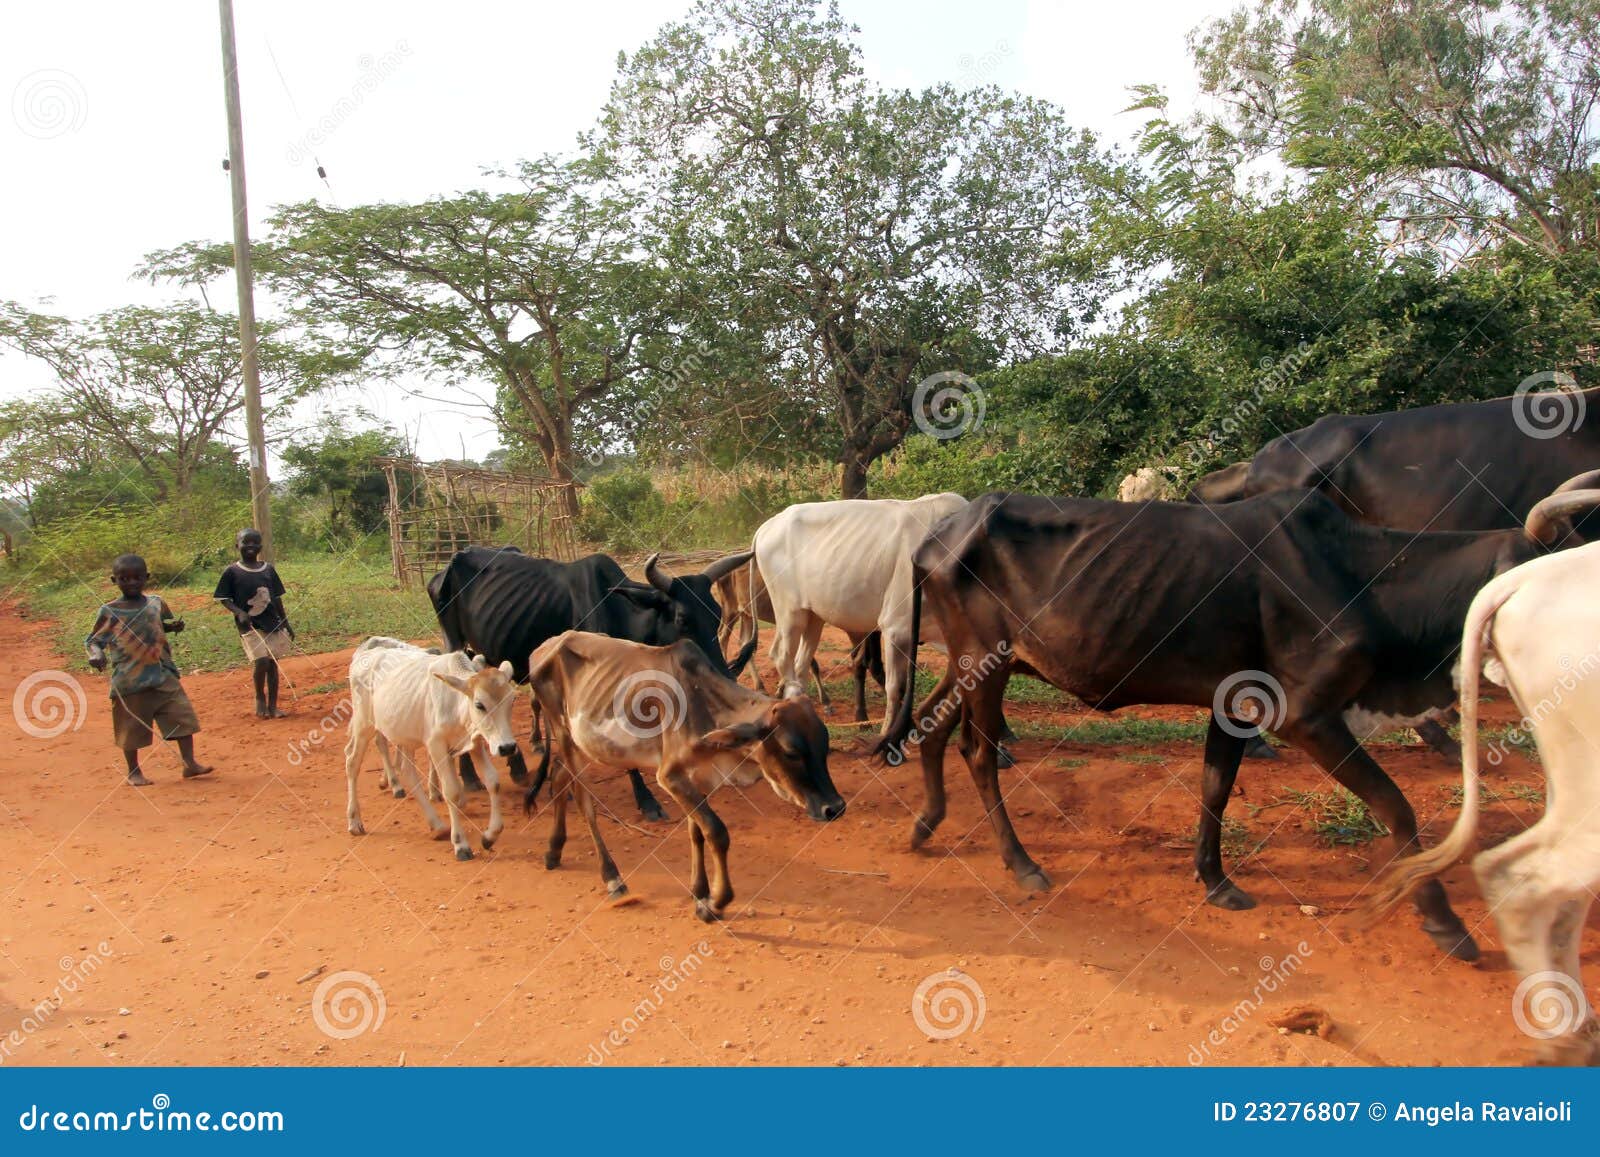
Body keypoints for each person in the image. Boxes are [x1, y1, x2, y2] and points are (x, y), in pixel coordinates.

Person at [86, 554, 213, 787]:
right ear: (115, 580)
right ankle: (133, 771)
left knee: (182, 717)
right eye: (124, 578)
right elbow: (94, 640)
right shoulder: (109, 611)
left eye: (137, 578)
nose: (132, 583)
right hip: (130, 679)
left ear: (147, 577)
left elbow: (158, 624)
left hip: (162, 673)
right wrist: (96, 655)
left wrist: (173, 627)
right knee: (130, 728)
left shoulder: (156, 603)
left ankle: (190, 763)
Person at [214, 528, 295, 718]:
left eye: (255, 542)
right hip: (249, 626)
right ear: (237, 546)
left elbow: (276, 598)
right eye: (245, 542)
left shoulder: (268, 569)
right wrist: (239, 612)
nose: (250, 546)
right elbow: (224, 598)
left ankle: (273, 705)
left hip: (271, 623)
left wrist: (285, 622)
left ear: (260, 546)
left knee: (272, 664)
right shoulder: (232, 571)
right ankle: (260, 697)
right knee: (260, 662)